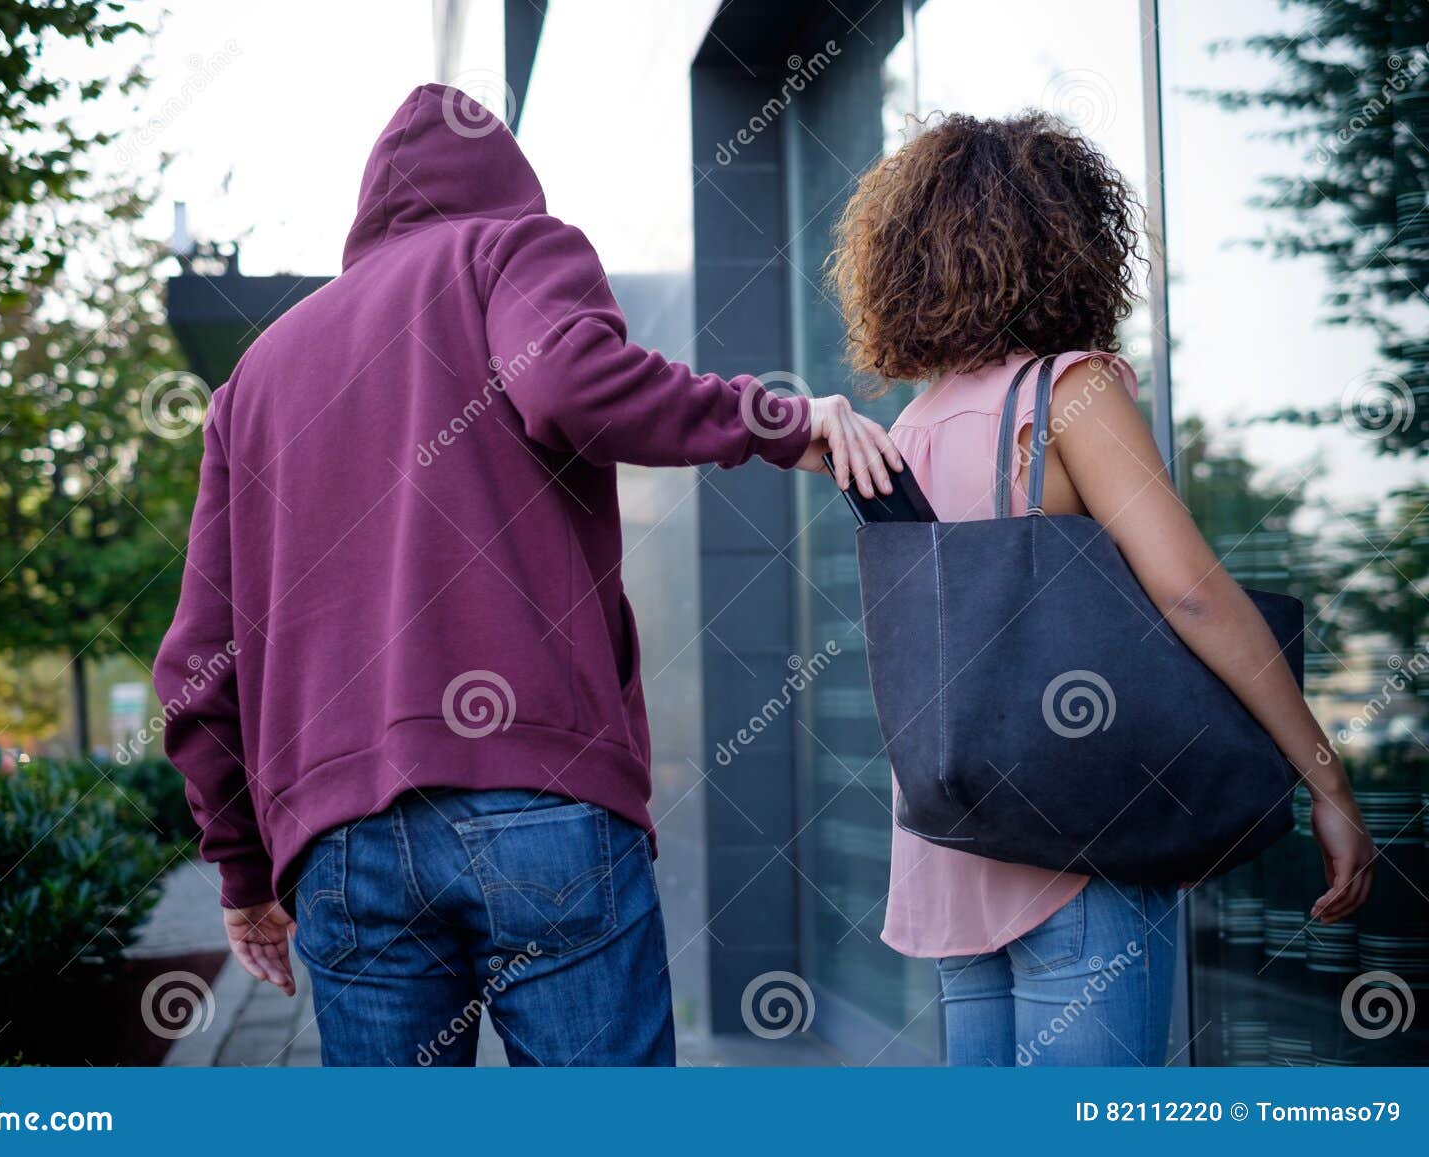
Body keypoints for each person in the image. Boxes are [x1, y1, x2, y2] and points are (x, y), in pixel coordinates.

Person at [152, 84, 903, 1067]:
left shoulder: (252, 381)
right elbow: (567, 381)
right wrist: (775, 418)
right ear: (510, 187)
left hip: (340, 841)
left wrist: (244, 876)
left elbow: (197, 665)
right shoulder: (511, 248)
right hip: (539, 793)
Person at [829, 110, 1375, 1067]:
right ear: (1069, 245)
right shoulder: (1073, 393)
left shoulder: (907, 426)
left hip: (953, 850)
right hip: (1084, 844)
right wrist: (1326, 778)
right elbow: (1194, 593)